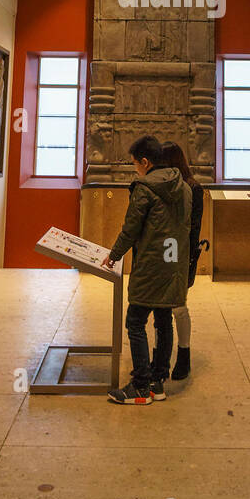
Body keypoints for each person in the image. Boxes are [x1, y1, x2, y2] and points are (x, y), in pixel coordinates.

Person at [102, 135, 191, 404]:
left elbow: (132, 228)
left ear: (145, 161)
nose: (136, 170)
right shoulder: (184, 187)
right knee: (163, 321)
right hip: (173, 262)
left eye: (135, 165)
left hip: (151, 263)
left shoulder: (145, 187)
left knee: (136, 321)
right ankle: (157, 382)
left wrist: (114, 254)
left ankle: (140, 386)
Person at [161, 141, 207, 381]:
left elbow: (194, 227)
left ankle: (183, 353)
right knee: (161, 309)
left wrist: (187, 258)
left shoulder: (192, 188)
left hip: (180, 253)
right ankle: (162, 357)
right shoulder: (162, 186)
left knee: (178, 306)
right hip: (164, 252)